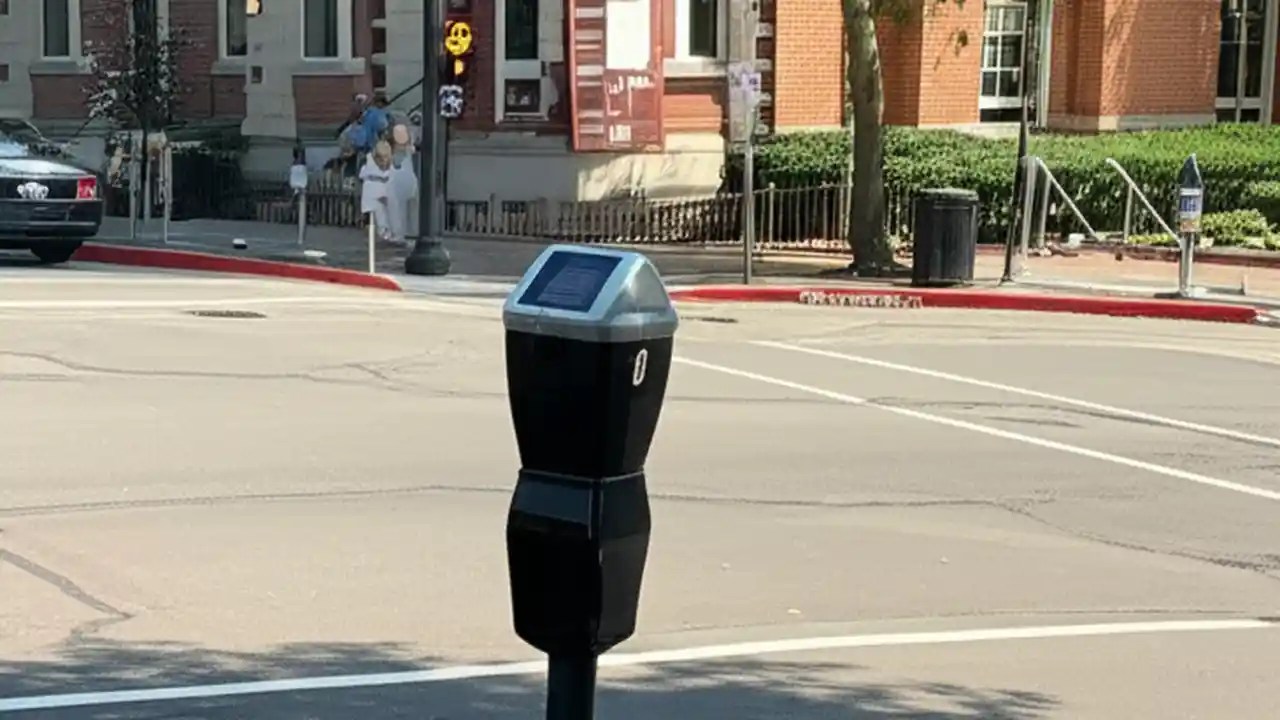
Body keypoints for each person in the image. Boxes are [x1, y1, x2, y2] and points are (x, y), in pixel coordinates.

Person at [360, 140, 395, 243]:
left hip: (381, 195)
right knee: (377, 219)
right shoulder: (369, 166)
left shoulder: (368, 165)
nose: (383, 161)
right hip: (375, 196)